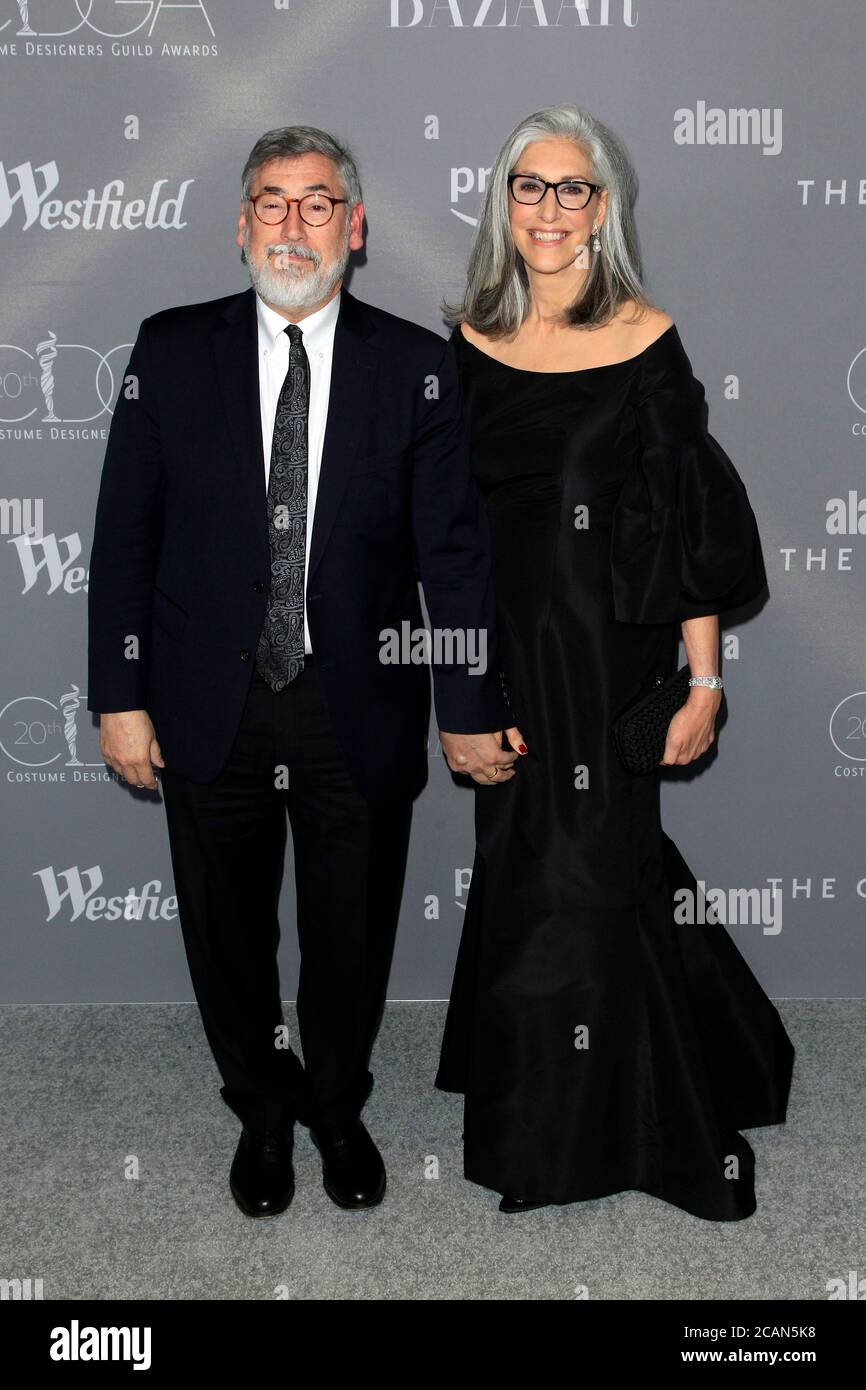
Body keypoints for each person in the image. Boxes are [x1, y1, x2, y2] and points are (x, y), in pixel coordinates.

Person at [87, 125, 520, 1219]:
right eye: (271, 203)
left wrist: (467, 705)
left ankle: (335, 1103)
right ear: (241, 228)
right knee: (226, 931)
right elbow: (124, 539)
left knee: (347, 929)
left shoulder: (415, 367)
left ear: (354, 228)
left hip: (354, 703)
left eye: (317, 203)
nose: (293, 223)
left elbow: (454, 558)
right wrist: (120, 696)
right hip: (202, 697)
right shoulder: (169, 351)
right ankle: (262, 1108)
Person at [434, 103, 795, 1221]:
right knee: (531, 864)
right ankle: (675, 1052)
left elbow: (686, 523)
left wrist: (704, 681)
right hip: (507, 655)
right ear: (503, 203)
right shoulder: (462, 343)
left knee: (583, 877)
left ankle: (599, 1131)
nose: (548, 208)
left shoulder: (645, 336)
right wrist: (461, 684)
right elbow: (446, 539)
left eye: (571, 188)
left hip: (613, 659)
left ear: (604, 208)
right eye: (527, 187)